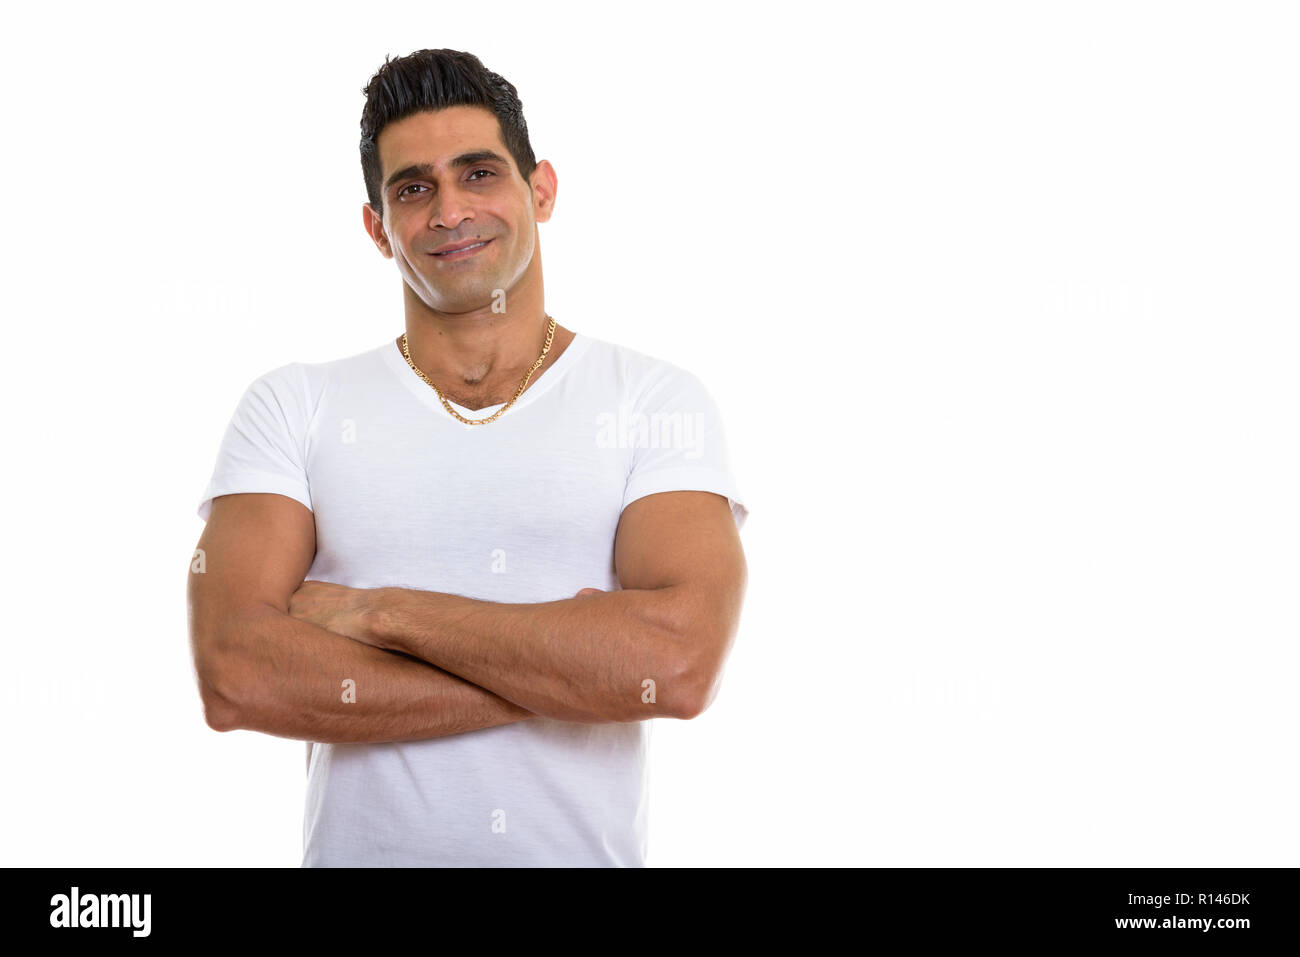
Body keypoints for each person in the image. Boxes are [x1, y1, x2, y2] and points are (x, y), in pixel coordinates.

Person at [188, 48, 749, 867]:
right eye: (413, 188)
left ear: (542, 189)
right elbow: (237, 674)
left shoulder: (653, 401)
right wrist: (568, 669)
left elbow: (676, 664)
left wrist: (381, 613)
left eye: (479, 174)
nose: (449, 212)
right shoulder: (294, 406)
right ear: (379, 228)